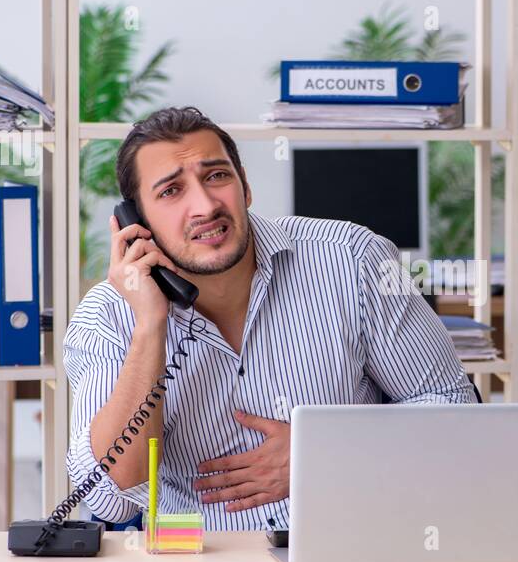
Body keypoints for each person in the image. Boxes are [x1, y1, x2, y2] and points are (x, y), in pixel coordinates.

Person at [64, 106, 475, 531]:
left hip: (348, 548)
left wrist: (328, 450)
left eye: (216, 176)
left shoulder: (354, 259)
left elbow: (456, 412)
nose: (204, 205)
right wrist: (149, 326)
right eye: (171, 191)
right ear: (136, 223)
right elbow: (108, 499)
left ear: (245, 186)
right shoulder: (107, 315)